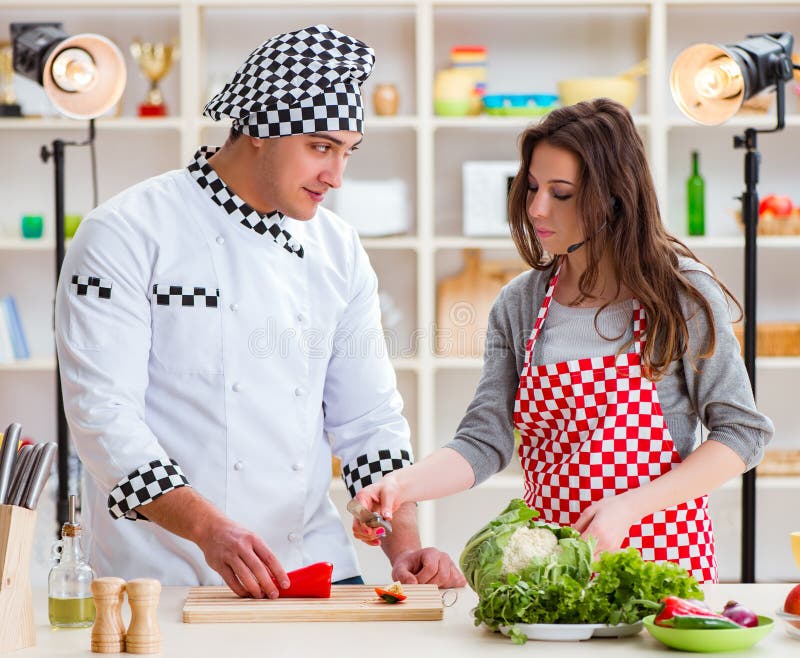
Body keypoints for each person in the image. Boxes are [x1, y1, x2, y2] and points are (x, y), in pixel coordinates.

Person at [55, 24, 464, 598]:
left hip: (312, 564)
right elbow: (104, 415)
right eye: (320, 146)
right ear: (258, 130)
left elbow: (367, 419)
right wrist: (208, 529)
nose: (336, 176)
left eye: (347, 151)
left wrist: (405, 543)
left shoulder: (338, 249)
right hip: (166, 575)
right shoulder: (125, 232)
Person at [352, 98, 773, 584]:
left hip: (662, 571)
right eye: (531, 187)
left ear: (613, 197)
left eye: (561, 193)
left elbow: (742, 433)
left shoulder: (679, 293)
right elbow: (484, 440)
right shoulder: (521, 303)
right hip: (550, 575)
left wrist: (626, 510)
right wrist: (401, 486)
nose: (536, 207)